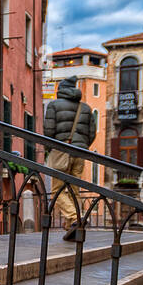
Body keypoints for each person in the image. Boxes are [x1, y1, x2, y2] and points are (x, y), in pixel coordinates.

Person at [42, 76, 98, 241]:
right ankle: (71, 227)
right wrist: (81, 145)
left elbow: (49, 131)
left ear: (61, 89)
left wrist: (49, 149)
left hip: (61, 150)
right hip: (79, 153)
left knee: (57, 190)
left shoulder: (54, 105)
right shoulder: (85, 108)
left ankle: (74, 218)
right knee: (74, 190)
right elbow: (91, 133)